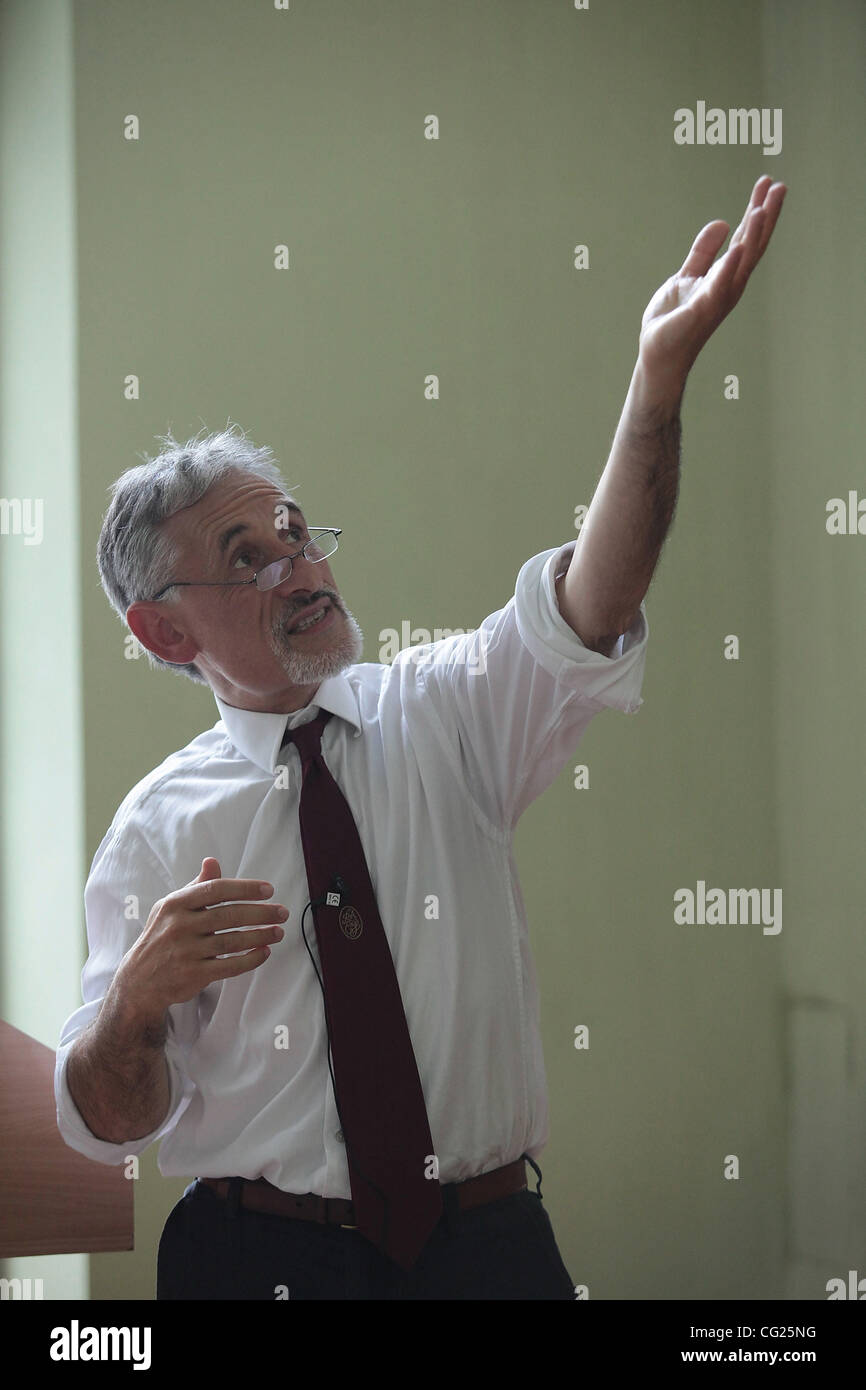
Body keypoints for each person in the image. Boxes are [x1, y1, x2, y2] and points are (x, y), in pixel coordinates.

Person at [54, 176, 786, 1300]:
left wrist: (655, 385)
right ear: (162, 632)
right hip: (257, 1261)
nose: (297, 564)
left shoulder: (447, 713)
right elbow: (111, 1123)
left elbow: (591, 599)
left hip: (485, 1255)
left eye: (293, 530)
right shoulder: (158, 832)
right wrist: (137, 1005)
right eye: (245, 555)